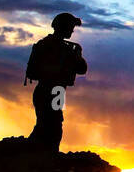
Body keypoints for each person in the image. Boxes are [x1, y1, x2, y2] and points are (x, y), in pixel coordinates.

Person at [25, 12, 87, 153]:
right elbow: (82, 69)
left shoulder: (56, 46)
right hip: (53, 90)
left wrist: (75, 56)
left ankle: (38, 155)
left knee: (50, 123)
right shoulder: (57, 47)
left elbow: (82, 69)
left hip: (54, 90)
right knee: (51, 125)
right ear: (63, 27)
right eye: (71, 27)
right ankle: (40, 157)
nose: (72, 30)